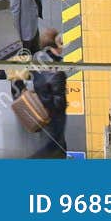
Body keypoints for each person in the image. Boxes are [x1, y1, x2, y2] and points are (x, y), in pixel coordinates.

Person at [29, 28, 70, 158]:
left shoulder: (38, 57)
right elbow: (59, 103)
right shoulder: (57, 73)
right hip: (53, 115)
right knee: (53, 145)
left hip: (41, 106)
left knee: (56, 143)